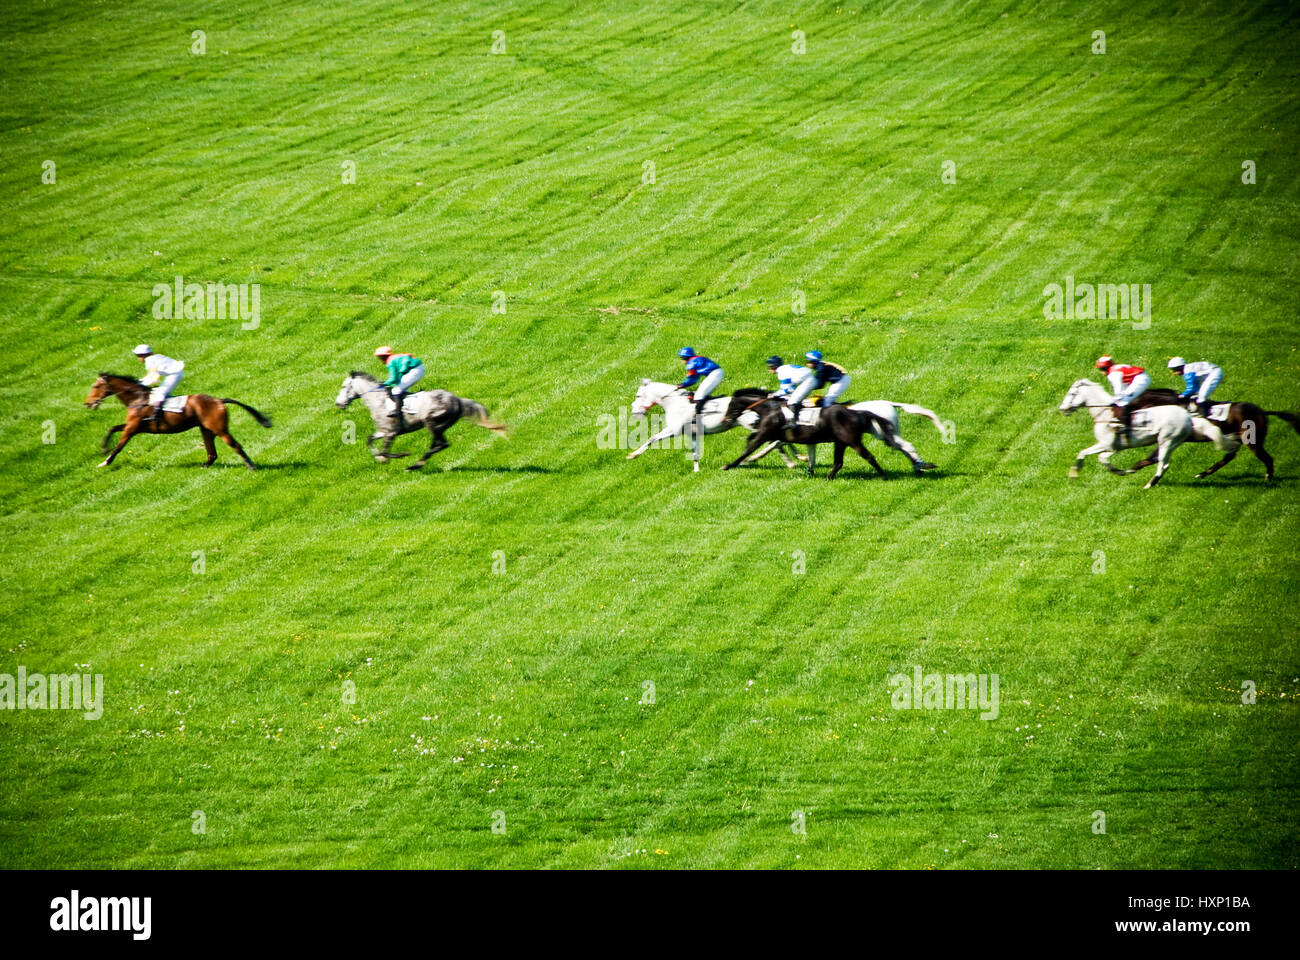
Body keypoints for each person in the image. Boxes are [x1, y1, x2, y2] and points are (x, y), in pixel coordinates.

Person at [1095, 355, 1149, 443]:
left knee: (1123, 401)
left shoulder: (1113, 374)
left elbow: (1118, 390)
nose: (1101, 373)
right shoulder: (1115, 369)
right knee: (1124, 399)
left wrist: (1114, 401)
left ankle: (1127, 428)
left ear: (1105, 368)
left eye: (1101, 370)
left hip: (1140, 380)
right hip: (1138, 378)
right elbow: (1122, 388)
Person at [132, 344, 184, 422]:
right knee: (159, 391)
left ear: (142, 355)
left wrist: (141, 383)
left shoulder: (150, 361)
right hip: (175, 373)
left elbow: (154, 378)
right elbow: (151, 375)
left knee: (160, 392)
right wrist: (141, 380)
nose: (138, 359)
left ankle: (156, 415)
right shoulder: (153, 357)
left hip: (174, 374)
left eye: (138, 356)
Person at [786, 350, 850, 412]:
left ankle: (836, 414)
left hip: (841, 380)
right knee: (827, 398)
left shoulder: (821, 368)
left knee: (828, 401)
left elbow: (820, 384)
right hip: (840, 380)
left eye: (808, 361)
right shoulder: (820, 366)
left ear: (813, 361)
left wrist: (807, 388)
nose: (807, 363)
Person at [374, 346, 425, 424]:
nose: (379, 359)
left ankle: (397, 411)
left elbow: (393, 379)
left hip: (415, 370)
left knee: (396, 391)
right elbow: (398, 378)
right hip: (417, 368)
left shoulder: (390, 362)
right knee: (400, 388)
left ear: (382, 356)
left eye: (379, 357)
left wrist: (383, 384)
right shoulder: (393, 358)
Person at [677, 347, 724, 426]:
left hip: (715, 374)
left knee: (698, 396)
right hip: (716, 373)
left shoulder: (692, 362)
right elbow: (695, 378)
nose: (682, 361)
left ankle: (697, 419)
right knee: (700, 393)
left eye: (682, 358)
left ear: (685, 357)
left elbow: (692, 379)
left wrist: (681, 385)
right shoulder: (696, 359)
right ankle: (710, 402)